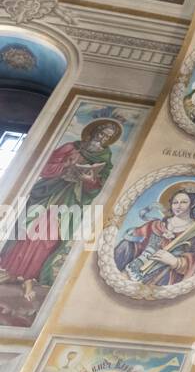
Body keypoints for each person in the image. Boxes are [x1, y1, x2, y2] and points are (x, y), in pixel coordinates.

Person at [0, 119, 121, 304]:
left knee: (49, 240)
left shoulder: (105, 159)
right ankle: (10, 271)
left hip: (71, 200)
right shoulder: (71, 147)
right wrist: (65, 165)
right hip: (49, 193)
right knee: (28, 231)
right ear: (94, 130)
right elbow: (45, 167)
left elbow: (98, 187)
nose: (102, 137)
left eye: (107, 136)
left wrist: (89, 179)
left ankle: (29, 278)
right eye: (101, 132)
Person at [113, 183, 195, 287]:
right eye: (175, 202)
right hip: (135, 268)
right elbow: (132, 243)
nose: (178, 206)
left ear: (192, 204)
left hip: (165, 277)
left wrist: (176, 262)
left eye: (183, 202)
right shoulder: (156, 225)